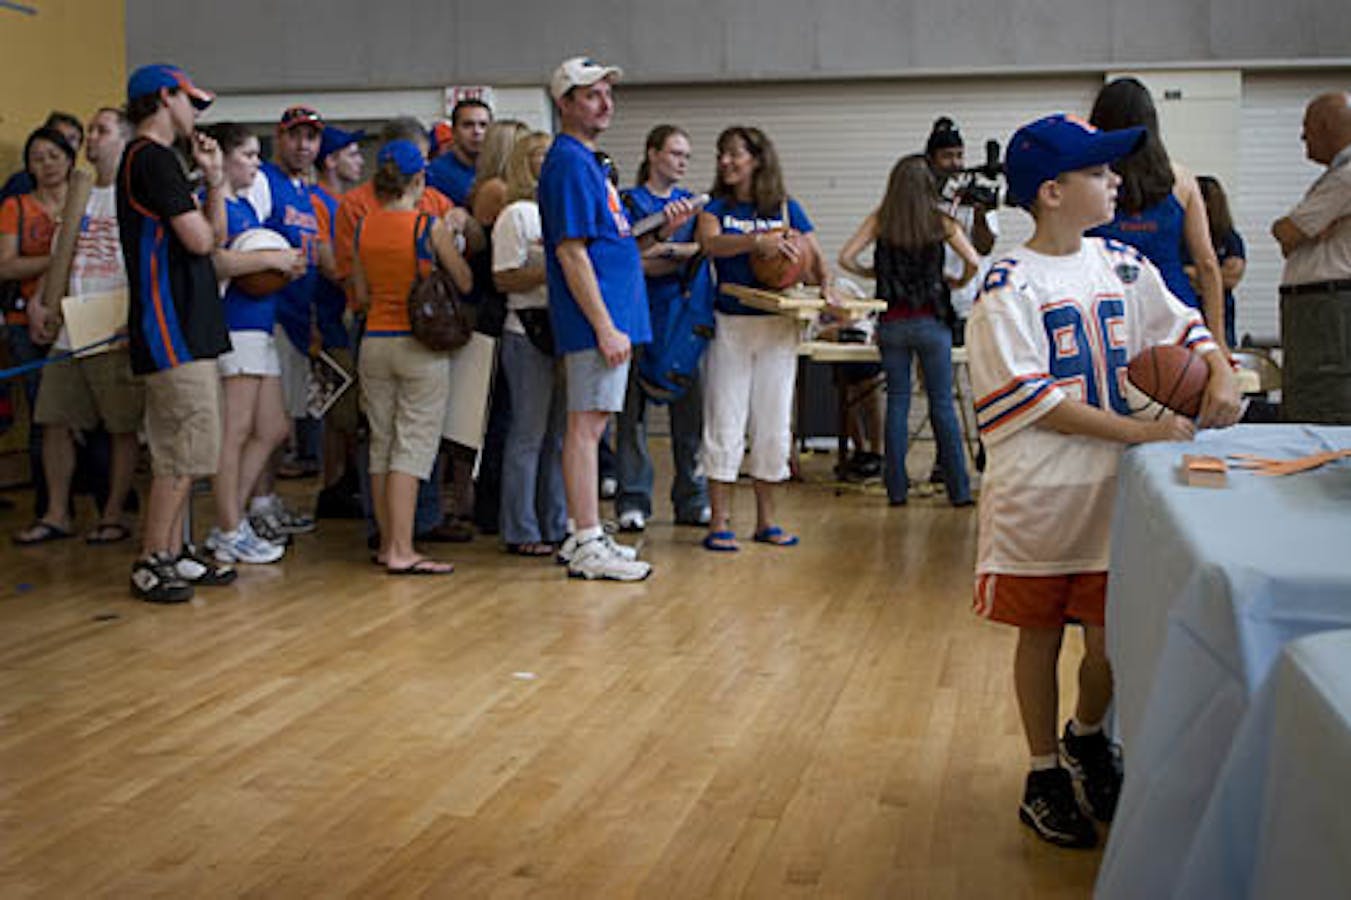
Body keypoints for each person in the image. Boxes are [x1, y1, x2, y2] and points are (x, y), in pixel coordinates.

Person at [967, 113, 1241, 848]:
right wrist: (1141, 433)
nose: (1116, 180)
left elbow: (1180, 324)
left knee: (1109, 642)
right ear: (1051, 192)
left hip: (1117, 496)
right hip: (1038, 495)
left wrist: (1216, 367)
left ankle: (1086, 734)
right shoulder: (1004, 285)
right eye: (1098, 172)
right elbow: (1033, 401)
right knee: (1038, 638)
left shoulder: (1120, 263)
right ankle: (1040, 771)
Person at [538, 56, 691, 581]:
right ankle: (584, 540)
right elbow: (572, 252)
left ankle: (588, 531)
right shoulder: (568, 163)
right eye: (590, 95)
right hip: (596, 322)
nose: (605, 103)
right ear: (564, 105)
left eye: (607, 93)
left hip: (614, 315)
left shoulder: (589, 162)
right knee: (587, 427)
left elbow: (612, 242)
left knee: (593, 424)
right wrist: (604, 324)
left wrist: (660, 230)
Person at [117, 63, 236, 603]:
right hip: (170, 329)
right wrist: (204, 206)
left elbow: (213, 236)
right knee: (181, 448)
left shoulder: (165, 163)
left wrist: (213, 182)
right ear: (164, 99)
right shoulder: (152, 161)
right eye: (191, 101)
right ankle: (151, 558)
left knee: (193, 447)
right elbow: (199, 242)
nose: (196, 114)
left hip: (191, 326)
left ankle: (174, 550)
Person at [696, 125, 833, 552]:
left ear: (757, 159)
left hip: (778, 328)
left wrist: (825, 286)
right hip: (731, 327)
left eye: (734, 154)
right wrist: (759, 242)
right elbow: (710, 244)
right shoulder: (715, 207)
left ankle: (766, 521)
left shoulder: (788, 209)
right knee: (725, 421)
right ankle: (719, 522)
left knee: (773, 426)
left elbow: (814, 258)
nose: (725, 162)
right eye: (722, 154)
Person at [14, 108, 144, 547]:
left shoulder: (135, 195)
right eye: (89, 131)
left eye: (101, 130)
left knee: (120, 426)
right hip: (73, 322)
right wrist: (39, 303)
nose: (91, 138)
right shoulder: (79, 195)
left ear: (123, 139)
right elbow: (60, 258)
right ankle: (56, 512)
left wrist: (135, 320)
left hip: (114, 322)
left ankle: (112, 515)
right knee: (53, 418)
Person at [351, 139, 472, 575]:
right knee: (413, 446)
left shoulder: (364, 227)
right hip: (419, 346)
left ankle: (387, 543)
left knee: (381, 444)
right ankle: (403, 549)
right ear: (419, 179)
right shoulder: (427, 225)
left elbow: (360, 296)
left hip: (374, 343)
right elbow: (463, 280)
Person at [838, 153, 977, 507]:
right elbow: (973, 261)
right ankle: (959, 491)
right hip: (932, 323)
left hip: (892, 324)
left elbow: (845, 257)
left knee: (897, 403)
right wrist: (957, 281)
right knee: (942, 405)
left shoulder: (881, 220)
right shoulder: (941, 222)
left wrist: (874, 275)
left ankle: (896, 491)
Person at [202, 122, 306, 565]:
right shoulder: (215, 205)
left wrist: (285, 268)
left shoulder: (247, 206)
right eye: (247, 154)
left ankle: (233, 519)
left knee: (273, 429)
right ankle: (227, 527)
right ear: (222, 159)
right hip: (235, 327)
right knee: (236, 431)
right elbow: (218, 262)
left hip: (261, 327)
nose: (256, 163)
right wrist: (272, 259)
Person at [1087, 77, 1229, 355]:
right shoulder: (1183, 179)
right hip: (1173, 313)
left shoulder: (1087, 180)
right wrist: (1218, 339)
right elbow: (1208, 264)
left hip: (1107, 313)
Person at [615, 124, 710, 531]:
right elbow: (628, 258)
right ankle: (633, 500)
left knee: (690, 417)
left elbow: (702, 251)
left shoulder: (693, 204)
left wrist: (667, 249)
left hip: (682, 319)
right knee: (631, 417)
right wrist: (663, 253)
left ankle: (692, 499)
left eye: (686, 156)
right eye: (674, 153)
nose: (681, 162)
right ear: (653, 154)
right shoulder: (629, 201)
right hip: (636, 315)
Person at [244, 105, 326, 536]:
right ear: (279, 138)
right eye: (295, 136)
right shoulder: (264, 184)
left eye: (311, 138)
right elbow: (249, 245)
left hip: (297, 317)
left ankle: (266, 499)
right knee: (266, 426)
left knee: (282, 425)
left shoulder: (303, 192)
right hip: (266, 315)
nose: (303, 145)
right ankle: (255, 504)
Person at [493, 131, 565, 556]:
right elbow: (504, 277)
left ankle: (554, 521)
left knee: (557, 436)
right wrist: (552, 269)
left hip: (561, 331)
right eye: (541, 155)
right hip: (526, 330)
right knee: (528, 433)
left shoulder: (557, 211)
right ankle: (520, 527)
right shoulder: (516, 215)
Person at [0, 125, 73, 520]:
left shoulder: (86, 203)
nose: (46, 165)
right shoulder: (16, 206)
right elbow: (6, 264)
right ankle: (48, 506)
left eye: (54, 156)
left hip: (78, 317)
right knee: (43, 413)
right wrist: (60, 257)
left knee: (88, 417)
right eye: (37, 158)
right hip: (22, 317)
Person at [310, 125, 366, 520]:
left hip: (344, 316)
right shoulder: (318, 202)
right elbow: (330, 264)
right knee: (338, 411)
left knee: (348, 409)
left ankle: (345, 483)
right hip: (329, 318)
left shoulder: (342, 202)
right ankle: (333, 486)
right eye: (353, 153)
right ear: (331, 160)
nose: (360, 161)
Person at [1271, 91, 1351, 287]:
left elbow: (1288, 231)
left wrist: (1290, 230)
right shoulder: (1338, 175)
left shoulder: (1345, 178)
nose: (1303, 136)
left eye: (1307, 126)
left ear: (1326, 126)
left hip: (1331, 297)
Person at [1184, 176, 1245, 348]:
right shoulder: (1179, 236)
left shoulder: (1229, 238)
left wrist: (1196, 274)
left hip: (1219, 315)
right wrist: (1208, 275)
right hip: (1189, 310)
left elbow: (1231, 278)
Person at [0, 111, 83, 202]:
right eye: (59, 136)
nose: (65, 144)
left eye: (72, 139)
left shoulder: (80, 187)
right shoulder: (22, 182)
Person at [427, 98, 492, 207]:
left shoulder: (499, 168)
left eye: (483, 125)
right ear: (454, 132)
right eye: (468, 125)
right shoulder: (435, 173)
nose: (477, 131)